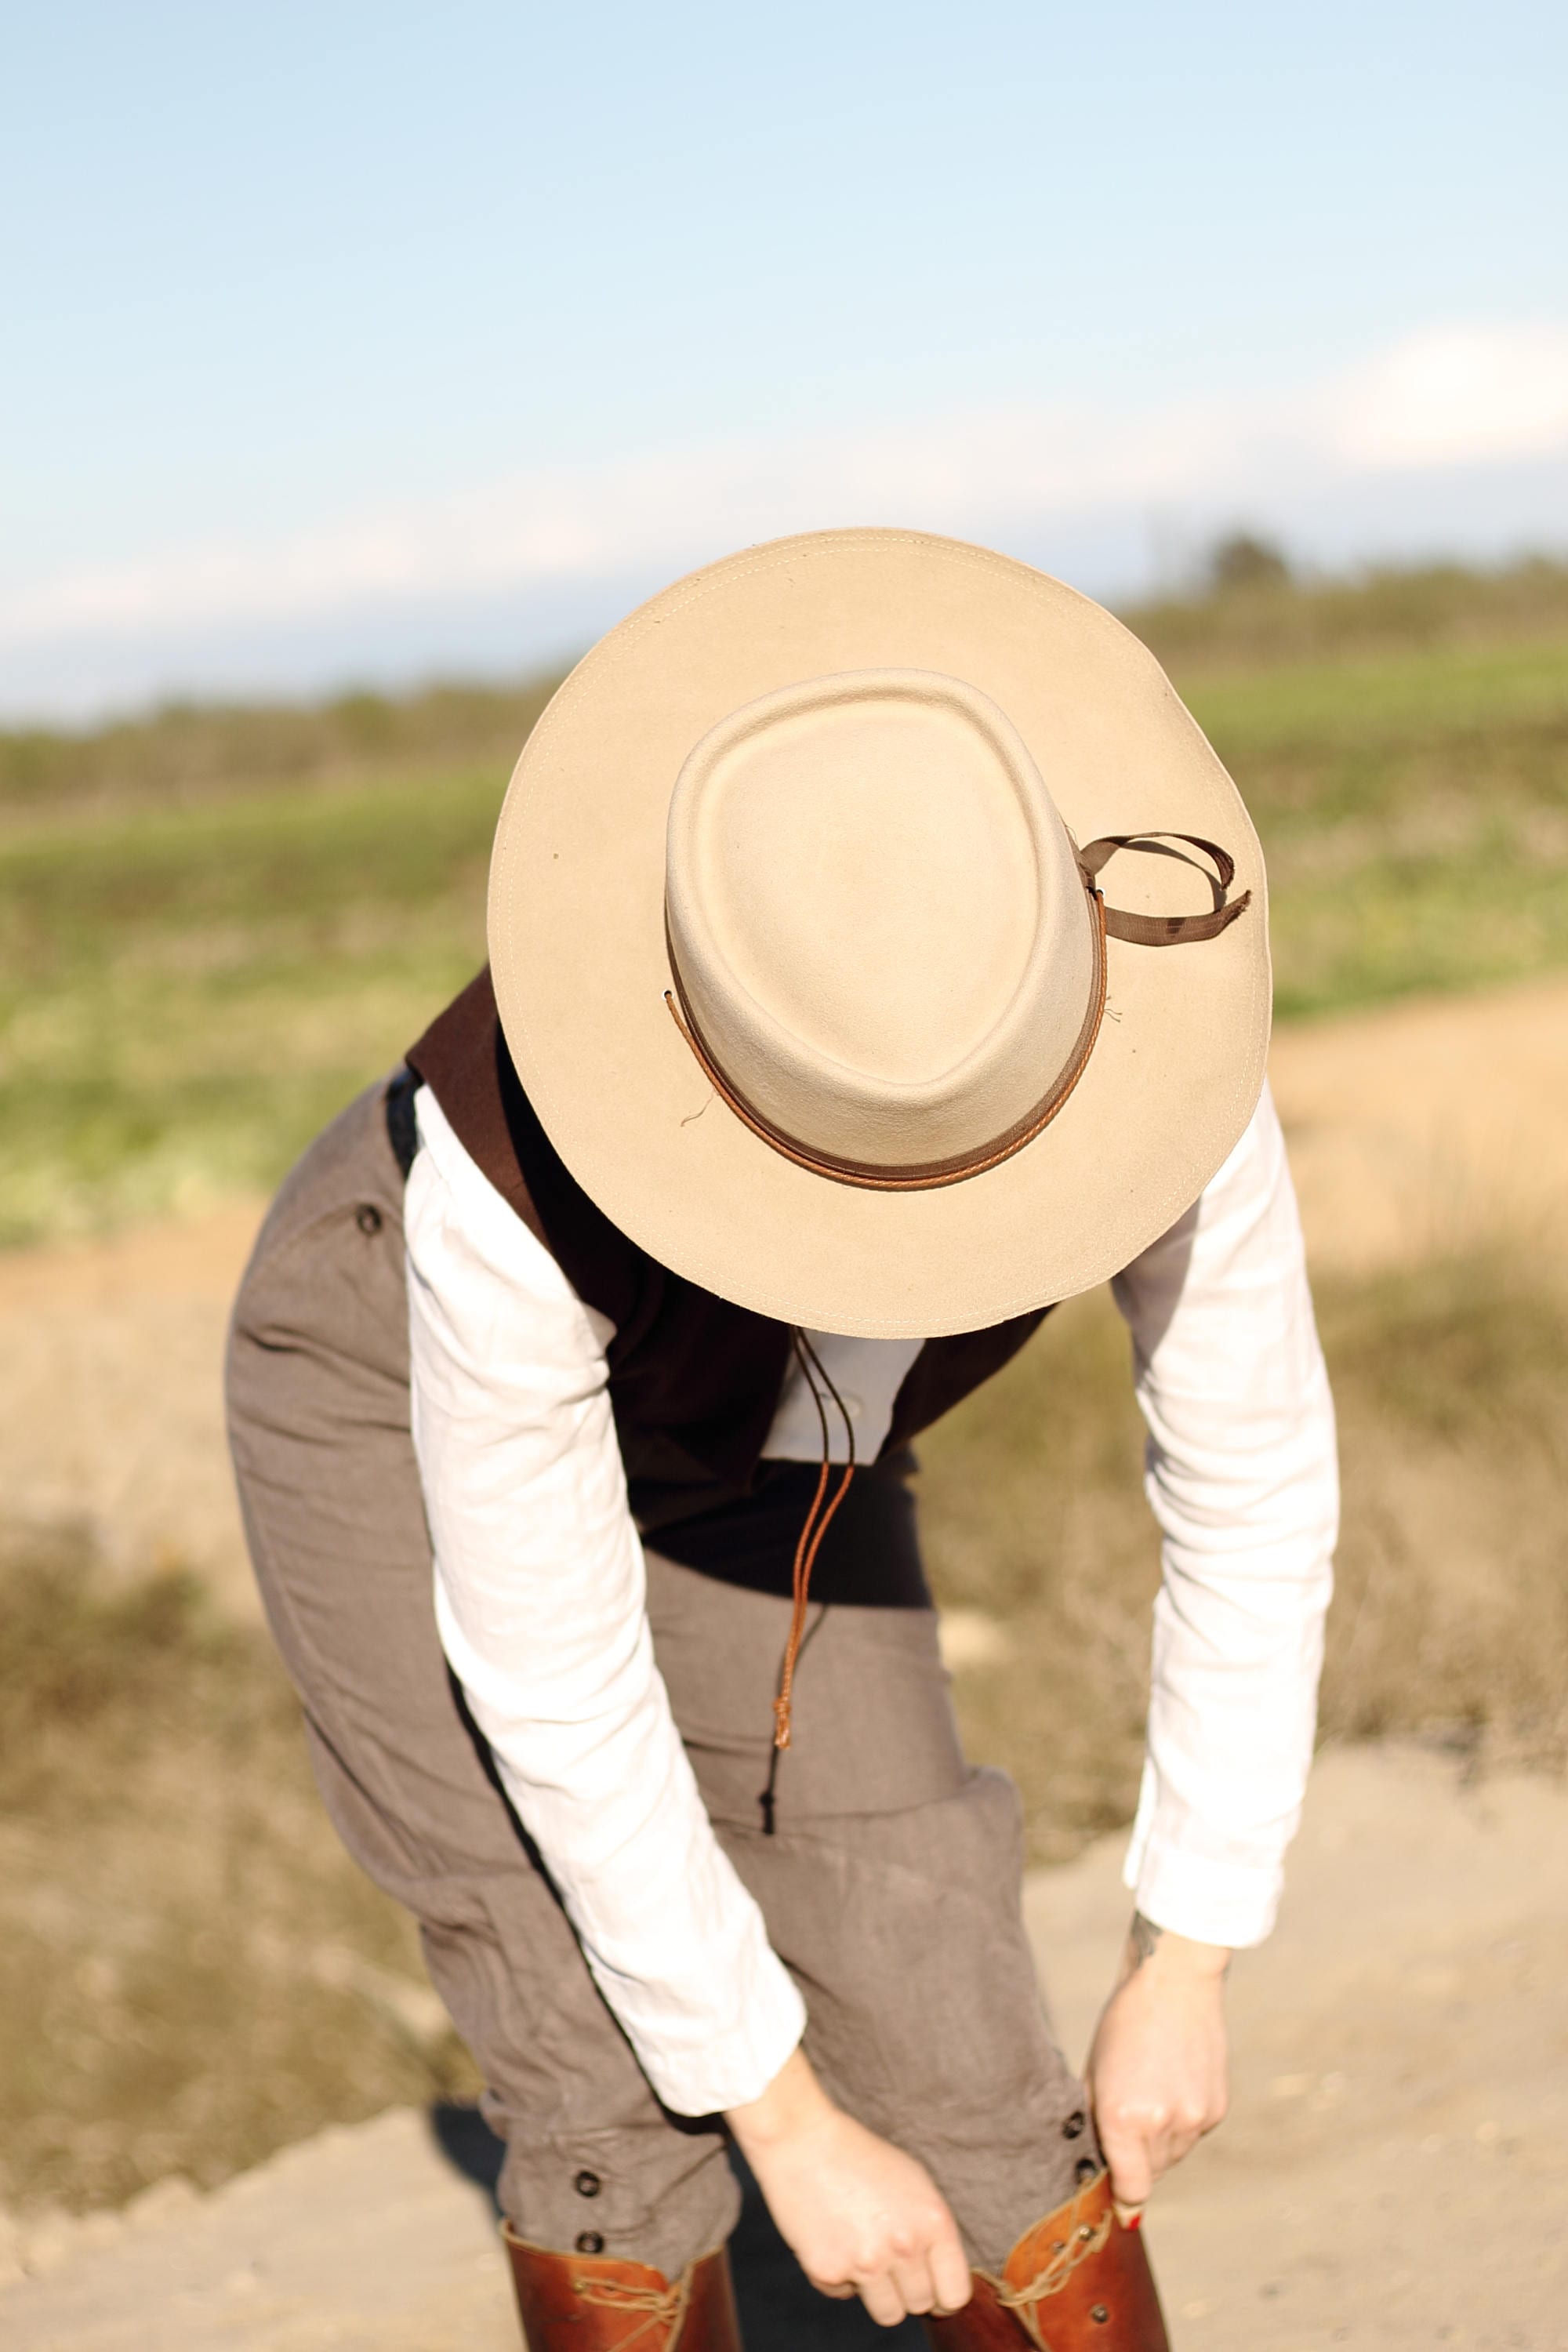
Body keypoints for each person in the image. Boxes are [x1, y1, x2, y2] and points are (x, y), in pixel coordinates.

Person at [226, 528, 1338, 2348]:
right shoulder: (502, 1206)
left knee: (952, 2012)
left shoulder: (1140, 1054)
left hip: (783, 1458)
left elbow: (1251, 1477)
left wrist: (1186, 1955)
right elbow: (558, 1687)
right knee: (602, 2087)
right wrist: (790, 2123)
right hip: (384, 1389)